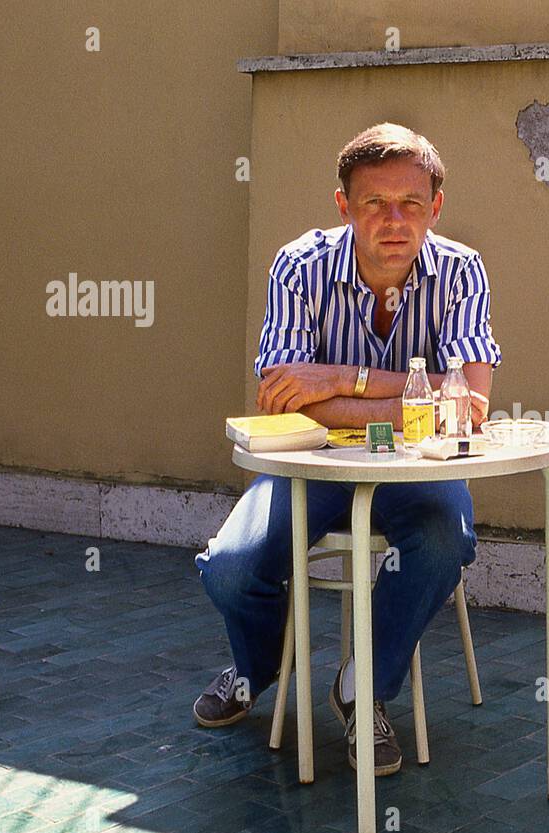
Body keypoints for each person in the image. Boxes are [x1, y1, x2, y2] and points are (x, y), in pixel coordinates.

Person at [193, 123, 500, 777]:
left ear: (435, 208)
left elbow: (469, 405)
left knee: (447, 536)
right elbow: (283, 398)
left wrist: (337, 377)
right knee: (230, 566)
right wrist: (417, 391)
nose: (394, 221)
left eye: (411, 204)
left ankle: (361, 686)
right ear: (343, 206)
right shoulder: (299, 266)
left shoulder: (462, 271)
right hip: (311, 468)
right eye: (373, 204)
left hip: (416, 474)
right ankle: (258, 666)